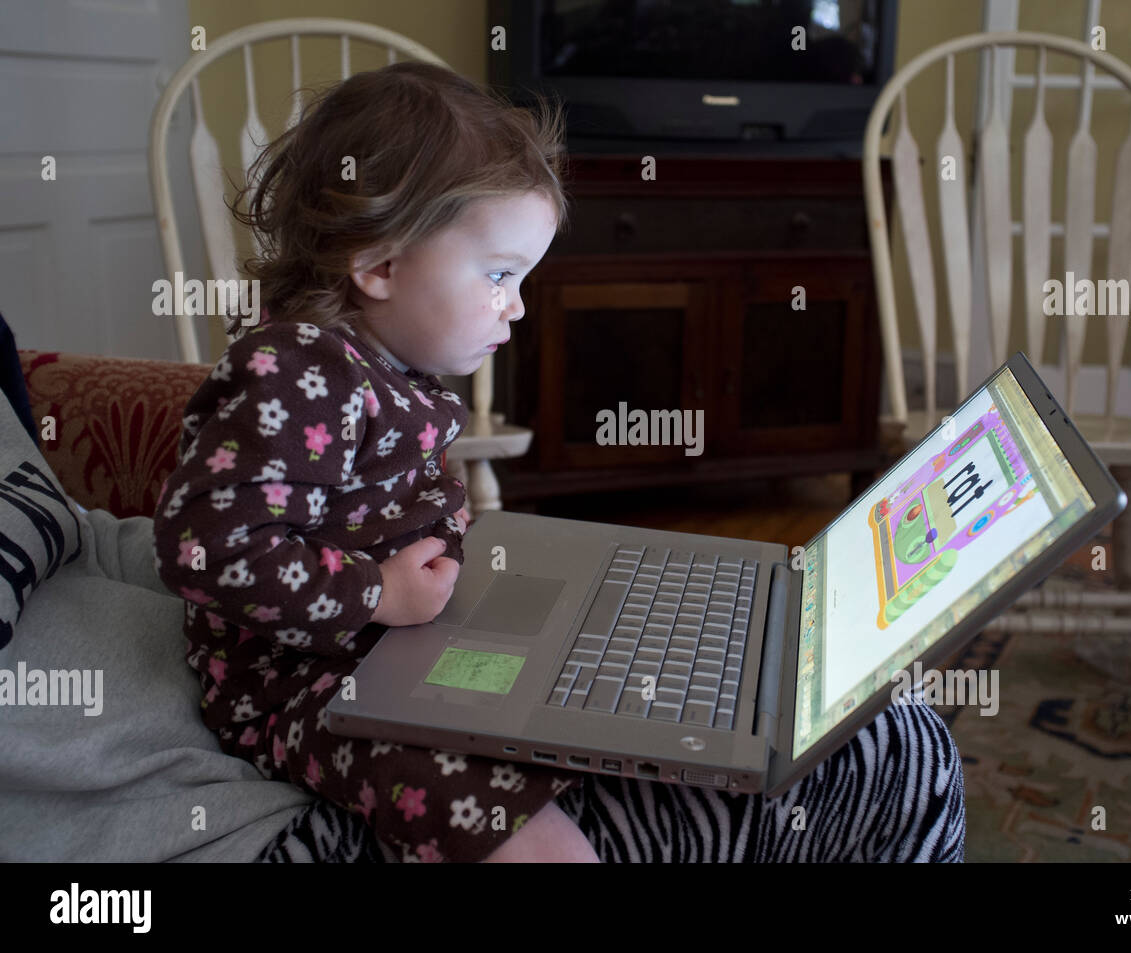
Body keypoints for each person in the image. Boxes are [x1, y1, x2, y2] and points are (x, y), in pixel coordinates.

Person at [152, 61, 965, 864]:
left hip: (398, 636)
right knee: (535, 839)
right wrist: (379, 593)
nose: (517, 305)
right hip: (304, 681)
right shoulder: (294, 370)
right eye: (500, 275)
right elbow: (204, 547)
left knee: (576, 685)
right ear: (380, 265)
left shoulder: (380, 359)